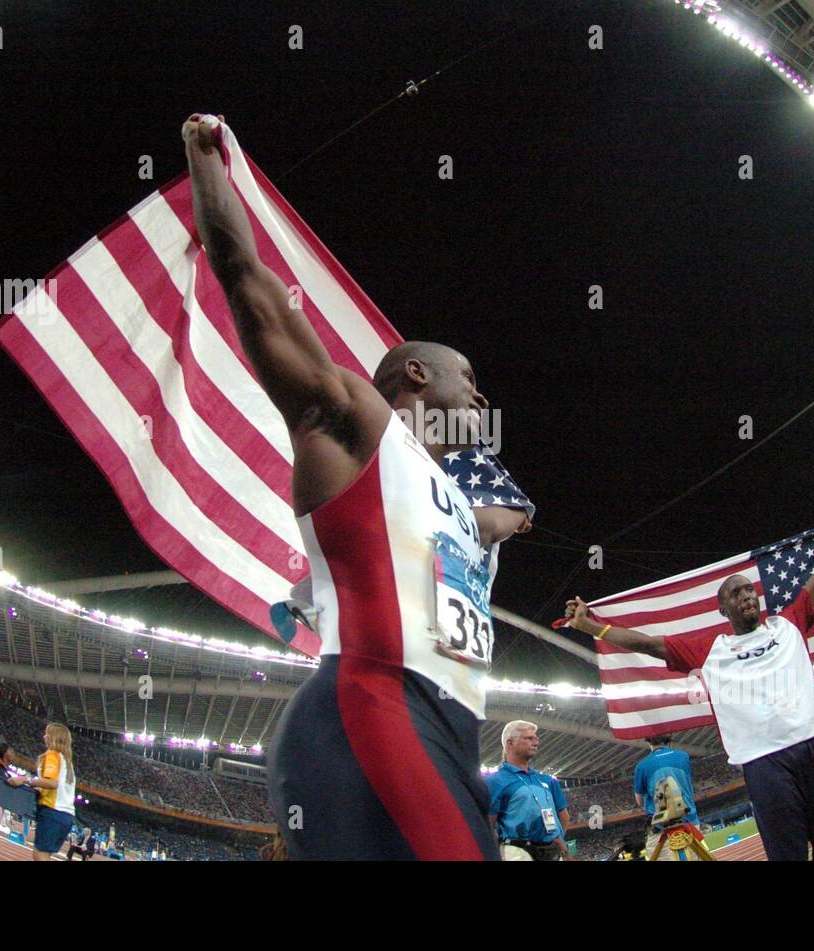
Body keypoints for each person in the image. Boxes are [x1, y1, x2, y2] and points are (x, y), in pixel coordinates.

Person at [183, 114, 529, 860]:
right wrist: (208, 164)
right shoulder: (357, 428)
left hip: (453, 734)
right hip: (373, 708)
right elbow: (250, 287)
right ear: (414, 374)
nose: (478, 395)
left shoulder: (459, 504)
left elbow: (505, 521)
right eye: (464, 377)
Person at [565, 482, 814, 861]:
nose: (748, 596)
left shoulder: (788, 623)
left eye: (750, 591)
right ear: (723, 610)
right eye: (736, 594)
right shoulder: (711, 649)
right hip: (764, 762)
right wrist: (590, 627)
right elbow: (647, 643)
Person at [486, 721, 572, 860]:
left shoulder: (548, 780)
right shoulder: (495, 781)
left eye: (536, 738)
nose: (535, 742)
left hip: (550, 850)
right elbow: (487, 824)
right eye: (528, 738)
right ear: (510, 743)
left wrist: (558, 840)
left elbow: (564, 816)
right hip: (516, 852)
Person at [8, 722, 77, 861]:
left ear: (53, 737)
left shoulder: (52, 755)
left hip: (52, 812)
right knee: (45, 855)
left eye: (47, 733)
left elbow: (52, 783)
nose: (44, 736)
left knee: (39, 855)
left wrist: (25, 779)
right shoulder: (67, 762)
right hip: (67, 816)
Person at [633, 735, 695, 827]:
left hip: (661, 824)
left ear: (649, 742)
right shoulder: (684, 756)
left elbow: (639, 801)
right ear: (667, 740)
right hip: (689, 818)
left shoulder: (641, 766)